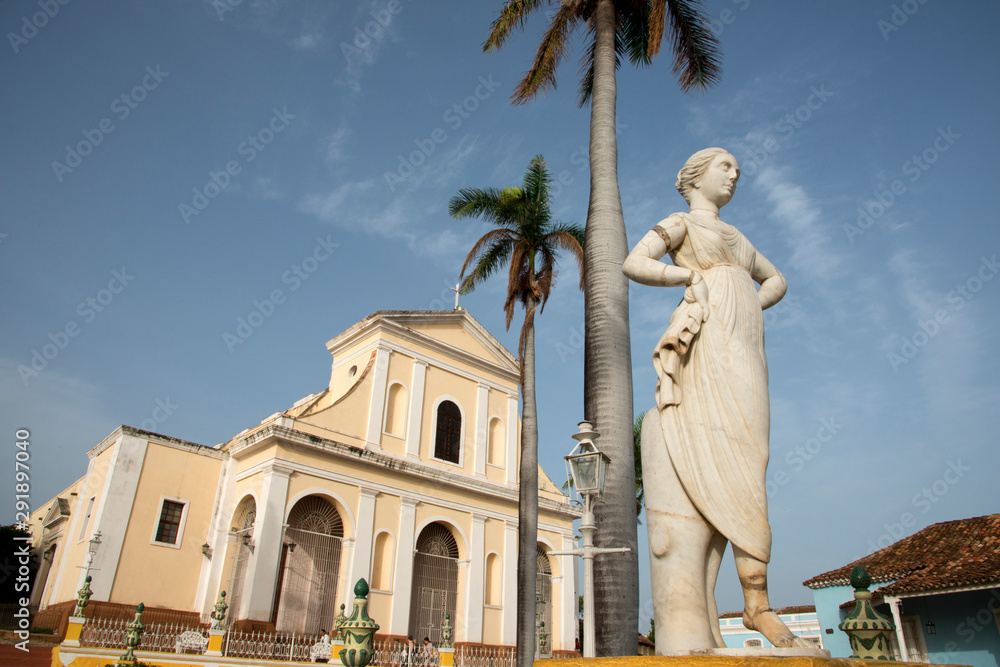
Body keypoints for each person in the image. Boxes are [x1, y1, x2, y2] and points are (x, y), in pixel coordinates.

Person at [622, 147, 810, 653]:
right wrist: (685, 279)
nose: (735, 175)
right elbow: (633, 262)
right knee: (716, 453)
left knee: (752, 459)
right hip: (706, 351)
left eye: (737, 170)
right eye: (725, 167)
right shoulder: (681, 223)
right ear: (695, 176)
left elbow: (777, 280)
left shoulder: (740, 239)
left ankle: (754, 602)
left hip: (745, 349)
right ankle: (758, 602)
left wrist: (744, 301)